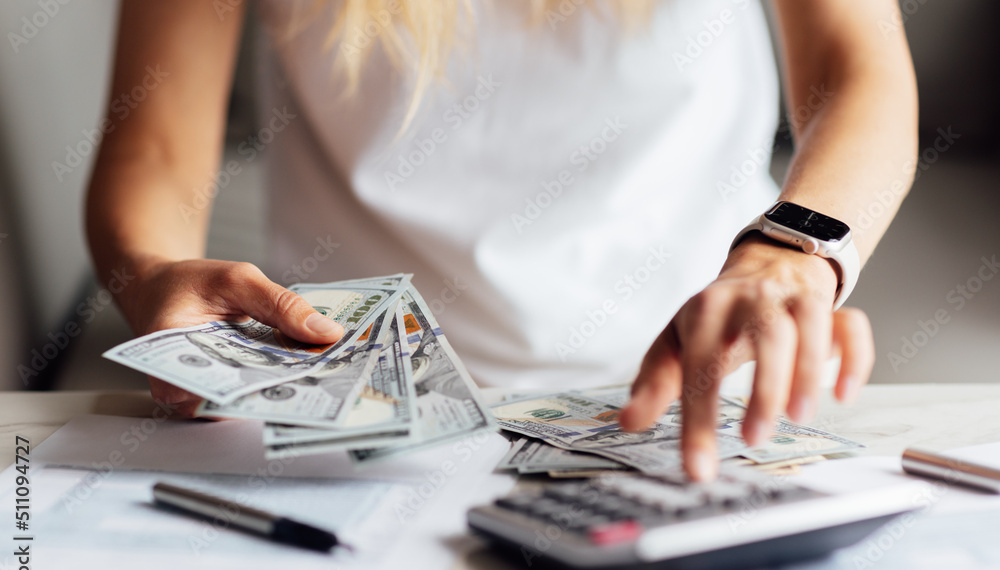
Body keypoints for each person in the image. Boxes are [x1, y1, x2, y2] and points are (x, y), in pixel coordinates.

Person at [86, 0, 918, 480]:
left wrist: (793, 250)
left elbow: (860, 71)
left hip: (711, 391)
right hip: (352, 414)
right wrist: (153, 272)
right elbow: (154, 142)